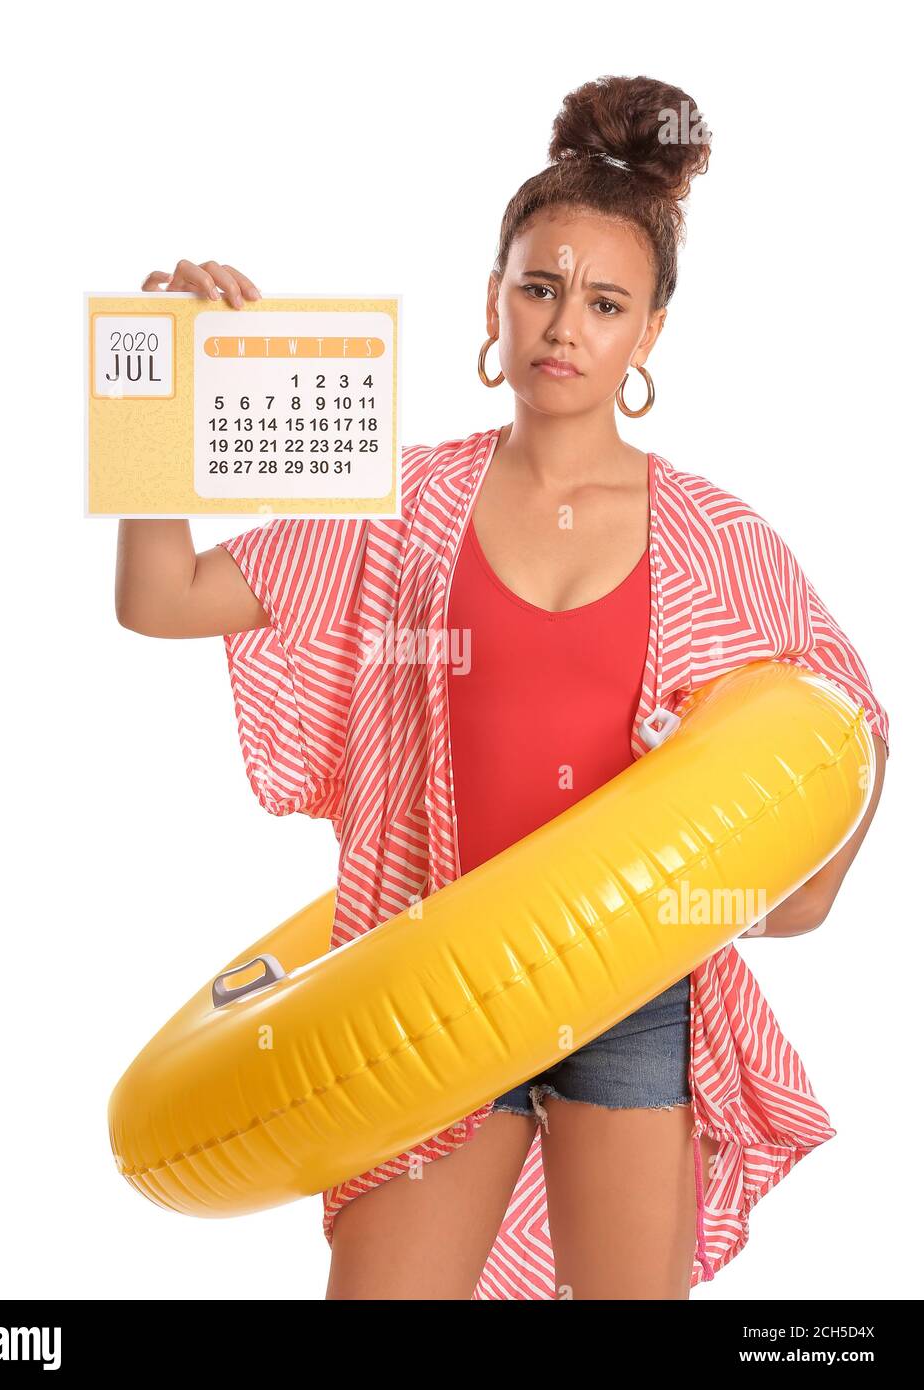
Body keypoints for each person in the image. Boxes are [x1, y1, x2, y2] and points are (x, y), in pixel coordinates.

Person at [116, 74, 889, 1300]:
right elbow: (161, 596)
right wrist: (149, 367)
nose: (565, 326)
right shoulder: (408, 504)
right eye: (539, 288)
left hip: (629, 992)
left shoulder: (708, 535)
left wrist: (800, 894)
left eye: (605, 302)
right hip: (427, 989)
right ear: (495, 301)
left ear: (650, 334)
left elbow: (847, 713)